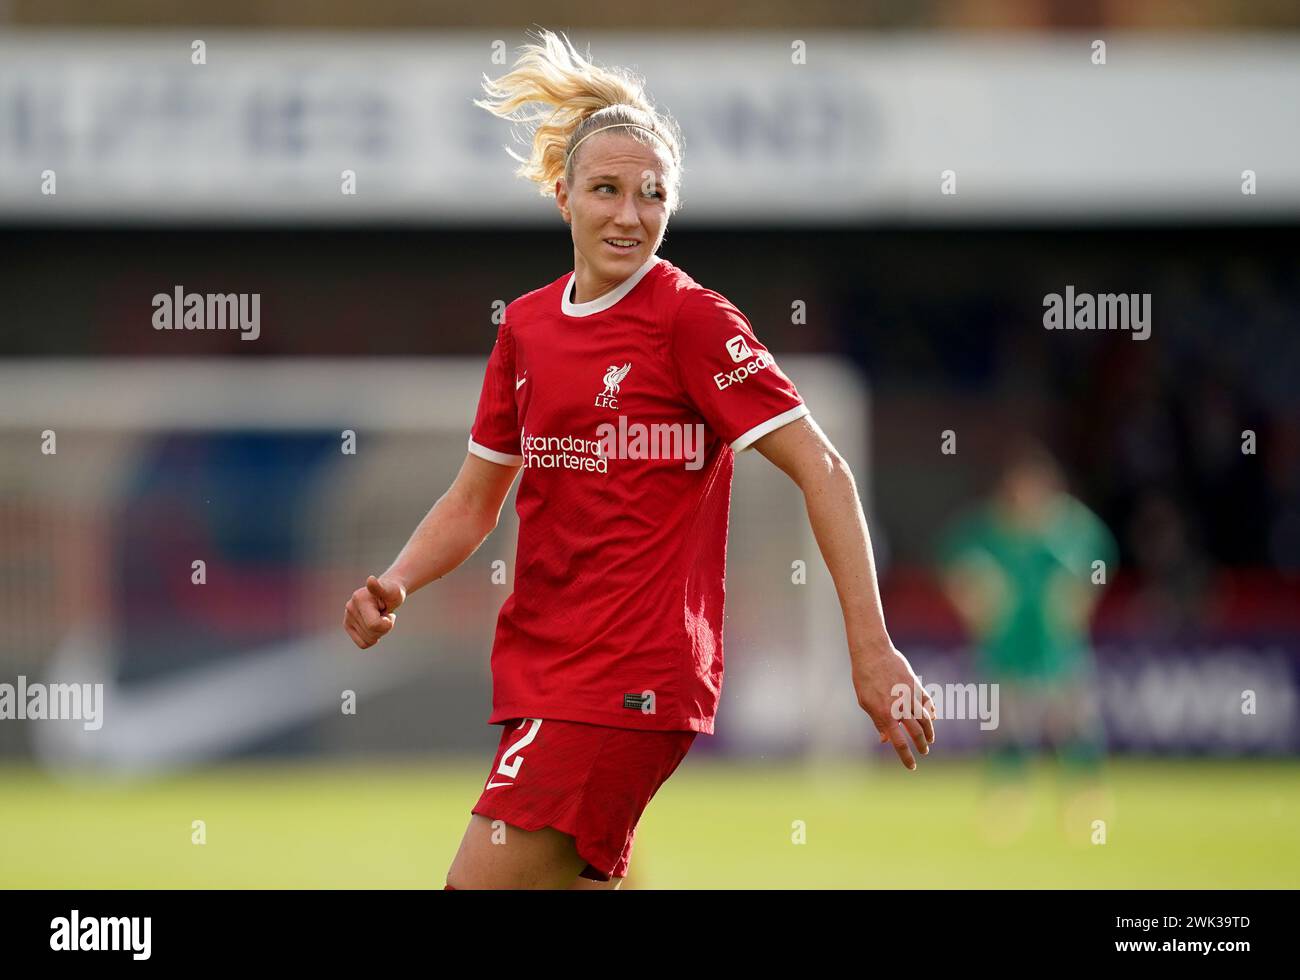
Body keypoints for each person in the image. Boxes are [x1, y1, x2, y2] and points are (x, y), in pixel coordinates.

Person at [343, 28, 934, 890]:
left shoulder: (689, 320)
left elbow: (825, 469)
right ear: (563, 197)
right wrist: (395, 581)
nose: (629, 213)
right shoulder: (527, 327)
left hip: (628, 681)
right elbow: (476, 500)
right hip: (542, 674)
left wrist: (872, 651)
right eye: (606, 190)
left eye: (651, 194)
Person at [938, 438, 1116, 843]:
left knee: (1074, 729)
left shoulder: (1072, 528)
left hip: (1059, 653)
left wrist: (1081, 594)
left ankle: (1087, 805)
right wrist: (972, 594)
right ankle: (1007, 804)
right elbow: (957, 565)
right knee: (1007, 732)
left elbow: (1097, 566)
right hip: (1008, 652)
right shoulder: (987, 530)